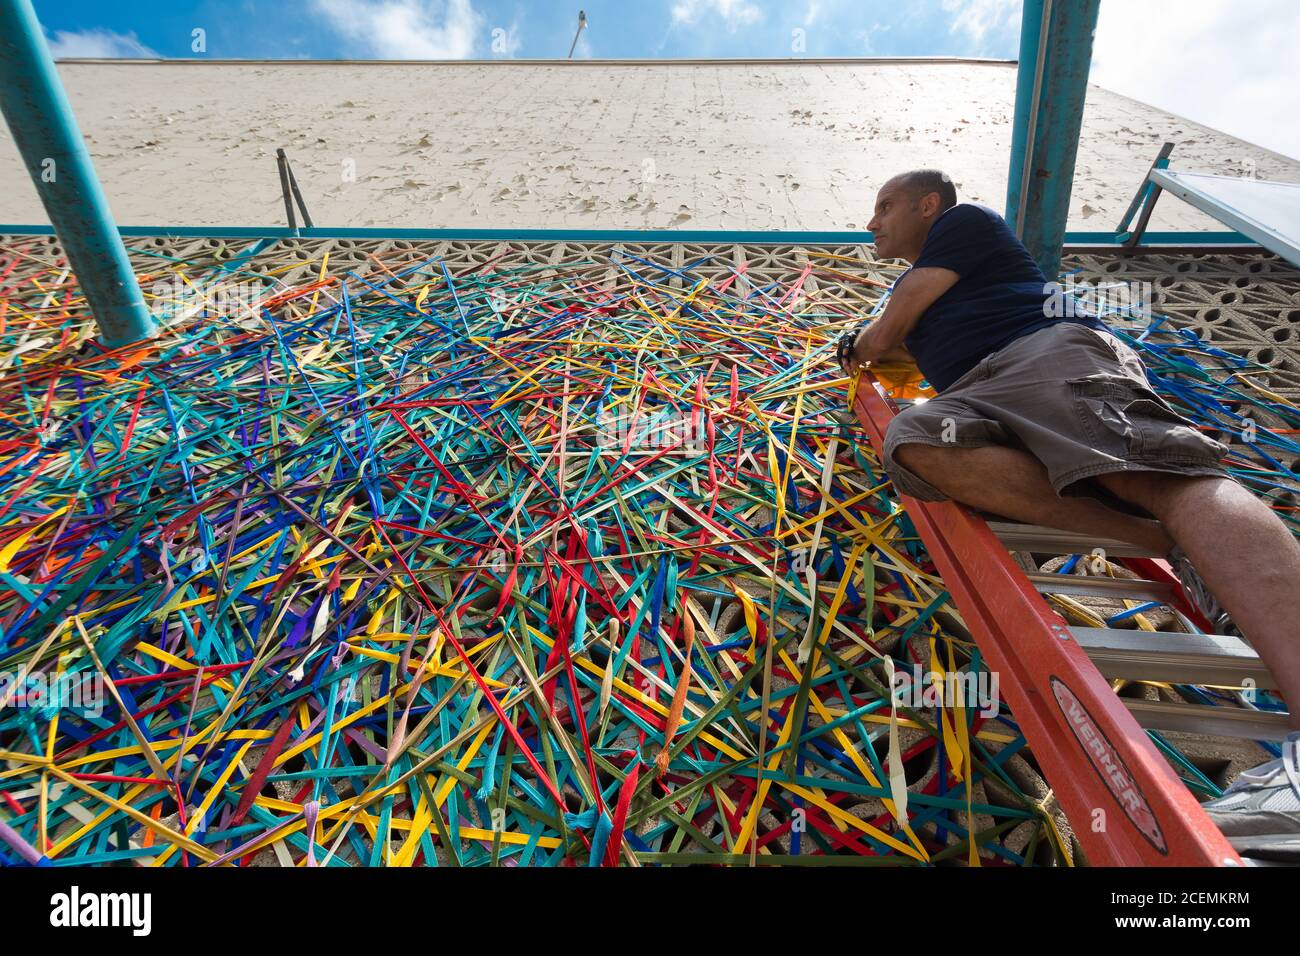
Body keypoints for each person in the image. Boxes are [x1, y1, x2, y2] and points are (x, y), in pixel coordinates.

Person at [838, 169, 1300, 857]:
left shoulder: (963, 225)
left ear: (926, 205)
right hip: (981, 395)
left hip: (1043, 356)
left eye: (883, 208)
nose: (870, 224)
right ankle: (1166, 542)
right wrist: (880, 346)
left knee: (1161, 476)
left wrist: (865, 340)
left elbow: (885, 336)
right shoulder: (944, 285)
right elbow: (895, 356)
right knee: (916, 443)